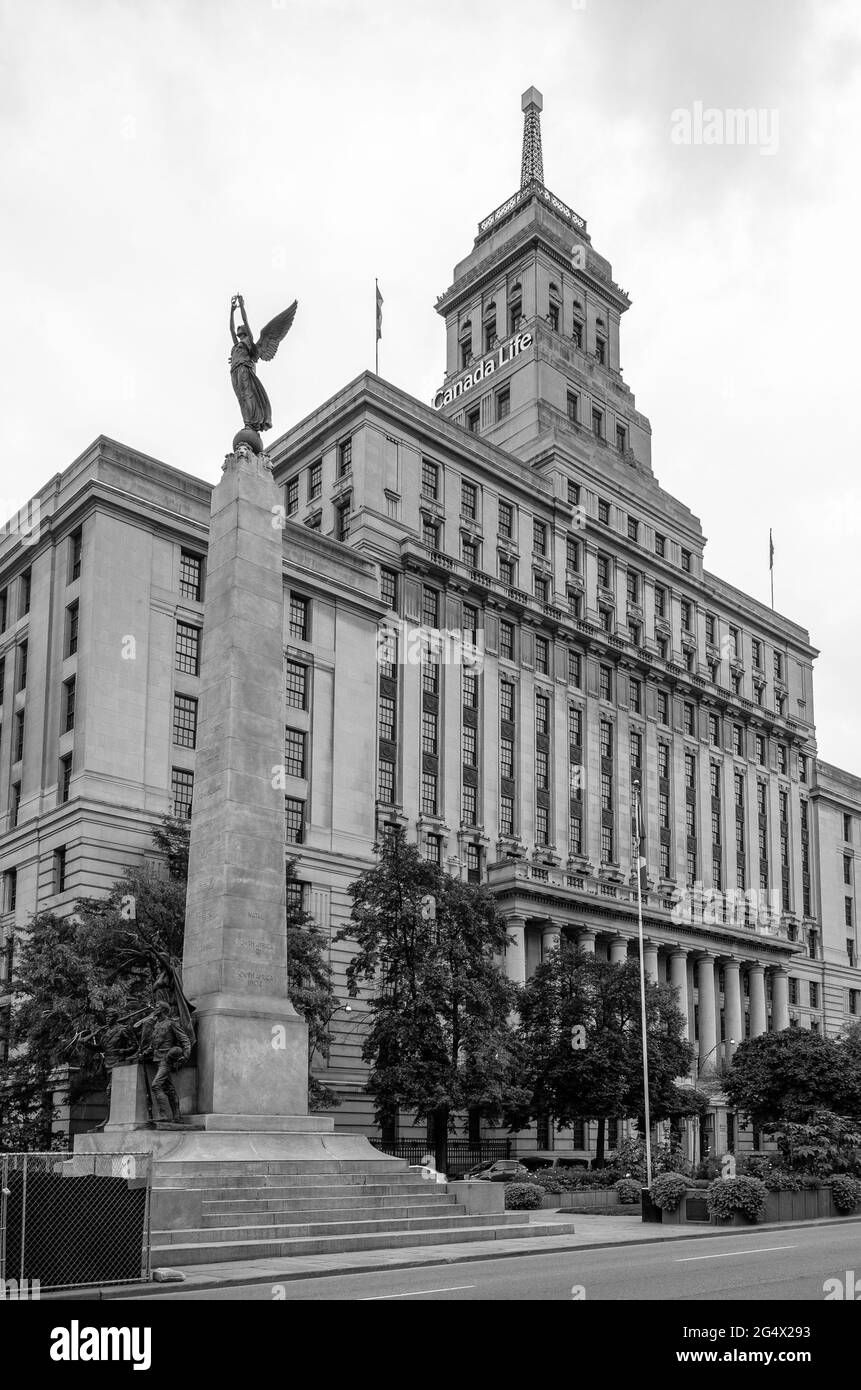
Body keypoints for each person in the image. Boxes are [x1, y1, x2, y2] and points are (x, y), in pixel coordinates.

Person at [139, 1001, 191, 1123]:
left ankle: (163, 1115)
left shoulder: (171, 1023)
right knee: (168, 1088)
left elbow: (185, 1040)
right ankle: (177, 1117)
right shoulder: (157, 1024)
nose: (154, 1009)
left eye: (157, 1007)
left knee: (156, 1085)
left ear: (163, 1009)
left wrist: (185, 1056)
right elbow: (154, 1045)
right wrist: (145, 1053)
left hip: (166, 1059)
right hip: (157, 1059)